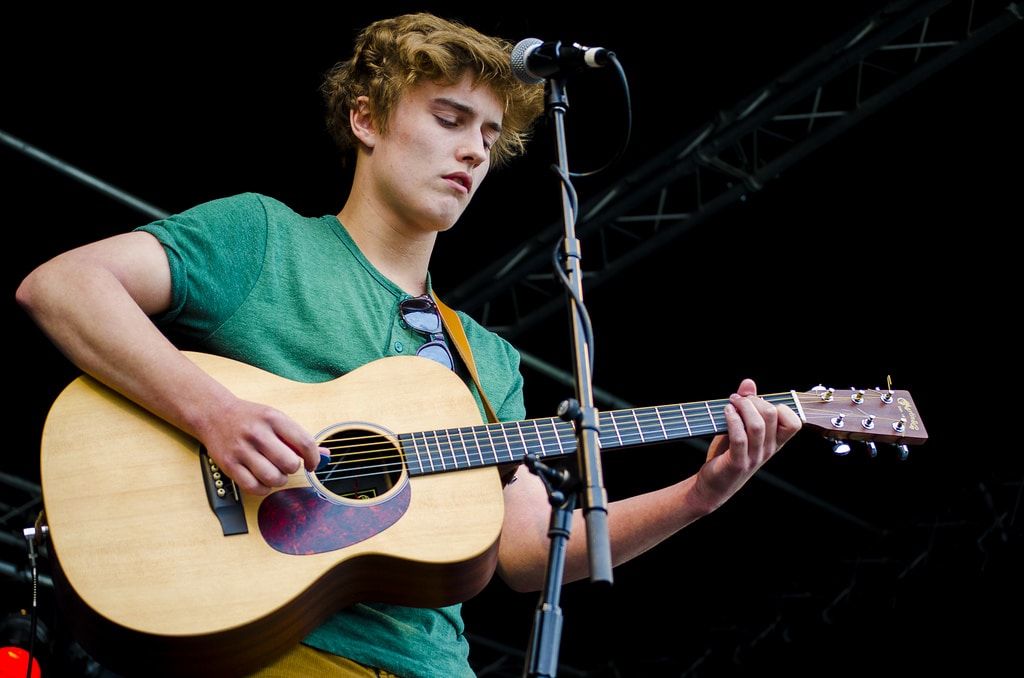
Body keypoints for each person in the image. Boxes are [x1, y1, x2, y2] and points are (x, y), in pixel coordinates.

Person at [15, 12, 802, 678]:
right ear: (366, 119)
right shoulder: (263, 238)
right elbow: (62, 287)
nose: (472, 153)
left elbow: (527, 554)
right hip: (272, 645)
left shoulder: (484, 358)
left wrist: (701, 495)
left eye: (490, 136)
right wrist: (215, 413)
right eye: (449, 119)